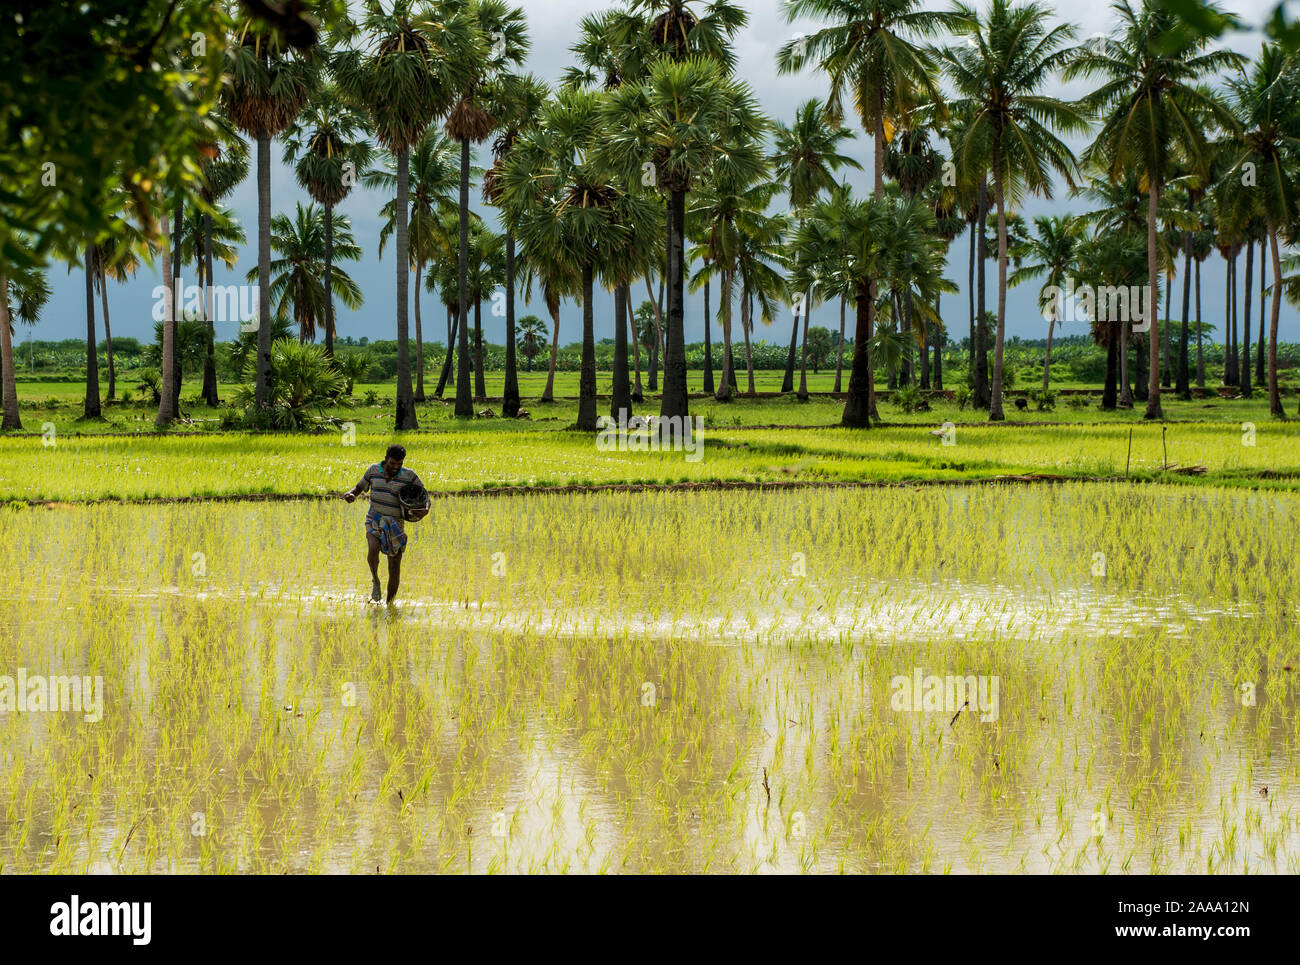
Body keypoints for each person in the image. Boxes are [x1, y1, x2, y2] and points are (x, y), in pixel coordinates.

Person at [342, 444, 423, 603]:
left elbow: (423, 496)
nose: (395, 467)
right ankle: (375, 580)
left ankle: (390, 604)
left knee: (394, 567)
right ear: (386, 459)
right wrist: (351, 494)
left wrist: (424, 511)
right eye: (392, 463)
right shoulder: (373, 471)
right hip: (375, 519)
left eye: (399, 464)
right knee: (373, 548)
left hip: (396, 524)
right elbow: (358, 488)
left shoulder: (409, 476)